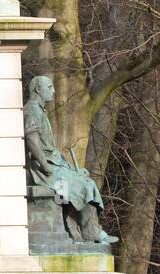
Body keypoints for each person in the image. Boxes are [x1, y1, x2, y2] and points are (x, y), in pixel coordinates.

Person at [23, 76, 118, 244]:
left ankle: (83, 232)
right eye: (50, 87)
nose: (53, 91)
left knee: (85, 181)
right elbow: (32, 140)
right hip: (42, 170)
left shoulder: (39, 110)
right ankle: (86, 233)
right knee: (83, 185)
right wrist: (46, 167)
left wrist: (71, 171)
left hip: (53, 165)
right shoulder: (32, 109)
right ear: (38, 89)